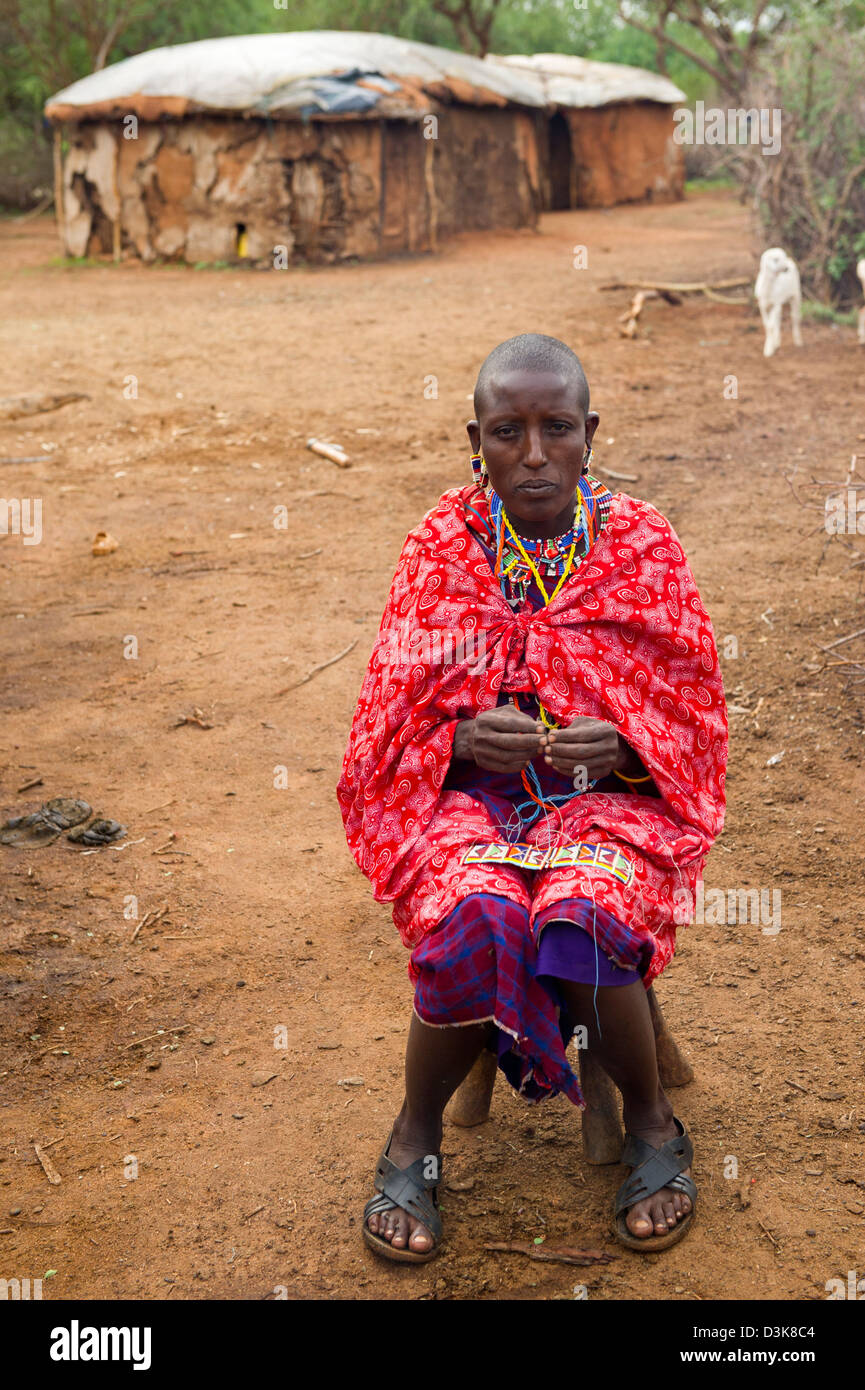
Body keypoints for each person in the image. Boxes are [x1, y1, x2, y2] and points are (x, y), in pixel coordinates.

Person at [337, 333, 727, 1263]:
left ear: (589, 433)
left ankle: (651, 1125)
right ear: (476, 439)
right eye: (508, 432)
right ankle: (412, 1140)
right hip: (462, 806)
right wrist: (460, 739)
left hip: (610, 809)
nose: (535, 453)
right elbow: (387, 718)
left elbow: (693, 718)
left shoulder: (640, 544)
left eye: (557, 428)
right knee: (475, 913)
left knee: (582, 912)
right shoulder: (441, 546)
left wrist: (626, 750)